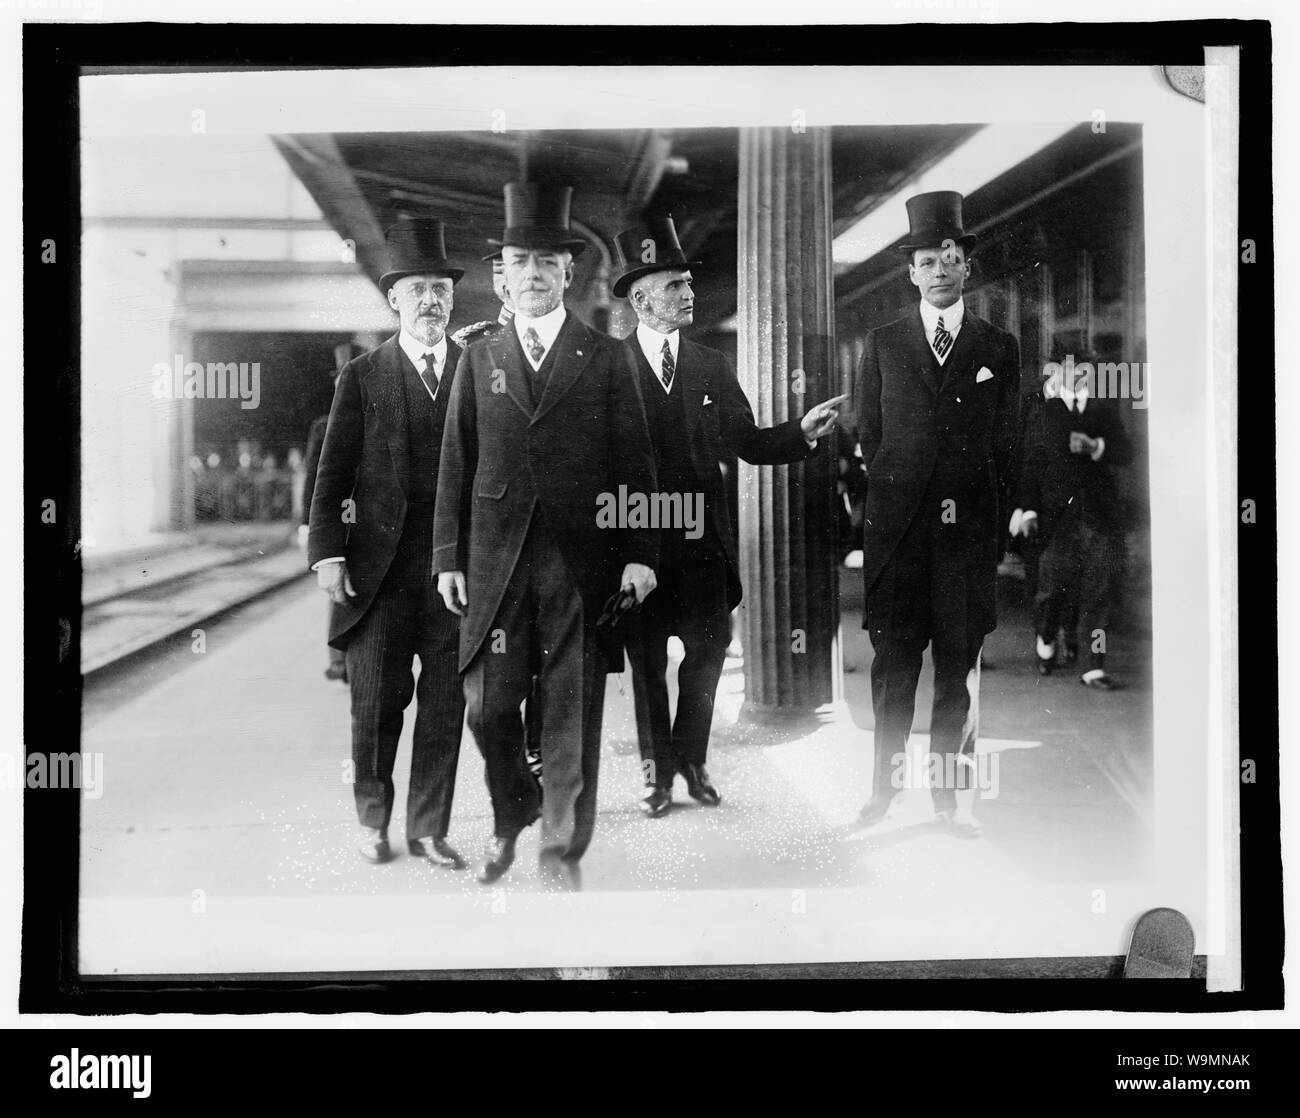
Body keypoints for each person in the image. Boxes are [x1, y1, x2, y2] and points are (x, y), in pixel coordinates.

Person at [433, 182, 659, 890]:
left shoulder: (608, 356)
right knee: (487, 706)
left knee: (570, 712)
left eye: (546, 262)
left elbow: (636, 463)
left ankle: (560, 854)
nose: (532, 274)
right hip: (494, 558)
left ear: (567, 272)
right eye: (519, 262)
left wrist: (640, 555)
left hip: (581, 558)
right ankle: (515, 809)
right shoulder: (478, 357)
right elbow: (456, 461)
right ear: (502, 276)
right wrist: (447, 556)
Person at [611, 213, 844, 817]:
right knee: (646, 667)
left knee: (706, 659)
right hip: (637, 546)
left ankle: (691, 761)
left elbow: (747, 442)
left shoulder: (710, 365)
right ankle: (655, 775)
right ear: (641, 300)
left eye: (688, 283)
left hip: (702, 546)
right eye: (674, 286)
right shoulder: (608, 368)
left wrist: (800, 432)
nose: (688, 293)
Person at [853, 191, 1021, 838]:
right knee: (894, 675)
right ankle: (883, 794)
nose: (940, 269)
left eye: (951, 258)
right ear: (912, 272)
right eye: (928, 261)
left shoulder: (998, 347)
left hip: (966, 543)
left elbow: (1007, 444)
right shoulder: (883, 344)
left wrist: (988, 527)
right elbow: (871, 437)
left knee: (959, 675)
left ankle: (950, 801)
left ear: (966, 267)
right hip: (899, 542)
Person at [307, 216, 468, 868]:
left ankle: (429, 829)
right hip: (376, 574)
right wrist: (327, 552)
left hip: (455, 573)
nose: (430, 300)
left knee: (445, 705)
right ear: (394, 299)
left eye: (440, 289)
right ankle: (373, 820)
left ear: (452, 298)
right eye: (416, 289)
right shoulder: (363, 376)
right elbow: (332, 472)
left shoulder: (478, 371)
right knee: (374, 704)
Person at [1011, 353, 1133, 689]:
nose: (1077, 375)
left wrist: (1097, 446)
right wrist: (1028, 510)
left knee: (1099, 593)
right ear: (1057, 373)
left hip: (1098, 515)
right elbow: (1031, 464)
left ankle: (1095, 666)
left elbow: (1126, 453)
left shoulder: (1102, 410)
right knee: (1051, 589)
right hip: (1055, 518)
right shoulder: (1043, 411)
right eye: (1069, 370)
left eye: (1083, 371)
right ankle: (1046, 636)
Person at [300, 341, 363, 683]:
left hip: (366, 518)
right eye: (342, 379)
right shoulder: (323, 426)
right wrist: (306, 524)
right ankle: (339, 660)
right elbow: (312, 479)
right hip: (336, 518)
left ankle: (355, 656)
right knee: (336, 583)